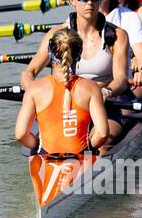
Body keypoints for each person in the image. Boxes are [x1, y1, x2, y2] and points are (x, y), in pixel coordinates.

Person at [21, 0, 132, 142]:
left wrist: (105, 92)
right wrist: (34, 96)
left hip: (103, 104)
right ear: (73, 0)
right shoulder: (57, 35)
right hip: (63, 105)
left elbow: (121, 79)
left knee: (108, 135)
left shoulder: (117, 35)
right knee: (47, 139)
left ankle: (94, 159)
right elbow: (29, 72)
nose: (89, 2)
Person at [15, 27, 109, 158]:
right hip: (80, 156)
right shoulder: (92, 88)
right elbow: (102, 133)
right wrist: (89, 147)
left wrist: (37, 145)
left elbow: (20, 134)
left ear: (50, 52)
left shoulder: (34, 89)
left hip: (46, 155)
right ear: (79, 53)